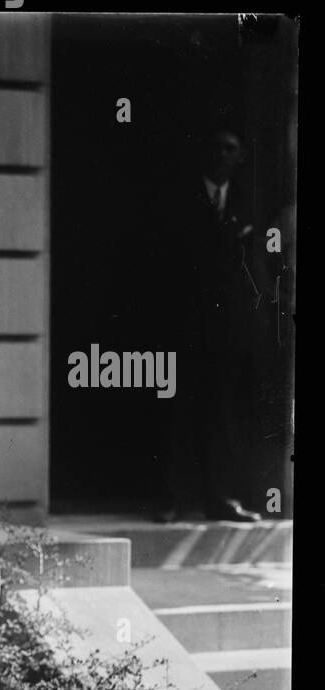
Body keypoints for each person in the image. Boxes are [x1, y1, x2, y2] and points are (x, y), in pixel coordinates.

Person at [156, 123, 269, 522]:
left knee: (223, 412)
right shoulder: (180, 197)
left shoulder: (246, 202)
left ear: (240, 158)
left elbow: (253, 268)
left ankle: (221, 498)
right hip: (185, 324)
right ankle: (172, 499)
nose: (222, 155)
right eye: (216, 147)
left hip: (227, 329)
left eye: (231, 149)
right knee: (178, 409)